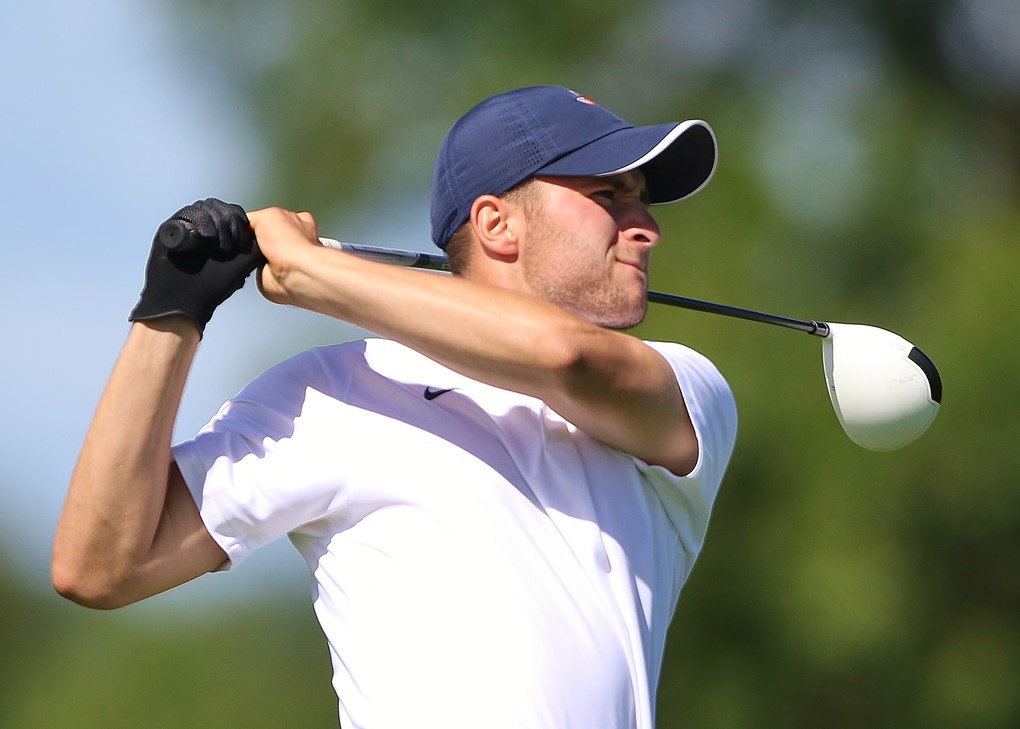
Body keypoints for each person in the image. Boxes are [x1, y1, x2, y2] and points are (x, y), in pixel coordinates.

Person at [52, 85, 738, 728]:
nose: (647, 226)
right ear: (497, 224)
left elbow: (565, 356)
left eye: (641, 199)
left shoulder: (685, 386)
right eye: (610, 193)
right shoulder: (336, 389)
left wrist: (308, 271)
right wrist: (171, 312)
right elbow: (99, 566)